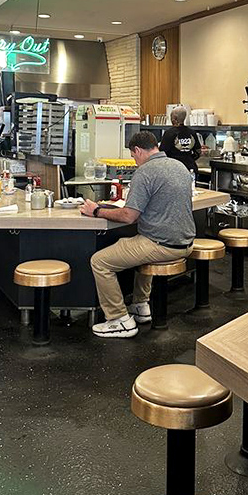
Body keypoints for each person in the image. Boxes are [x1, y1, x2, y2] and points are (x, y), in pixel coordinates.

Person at [80, 130, 195, 339]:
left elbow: (128, 216)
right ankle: (141, 305)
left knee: (99, 262)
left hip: (161, 245)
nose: (134, 161)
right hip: (186, 242)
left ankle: (119, 320)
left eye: (133, 156)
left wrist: (95, 210)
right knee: (132, 242)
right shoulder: (179, 166)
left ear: (139, 150)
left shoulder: (145, 172)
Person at [159, 107, 202, 177]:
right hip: (190, 168)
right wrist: (188, 158)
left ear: (174, 118)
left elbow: (162, 153)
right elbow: (198, 151)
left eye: (171, 117)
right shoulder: (192, 133)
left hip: (174, 170)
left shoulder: (169, 133)